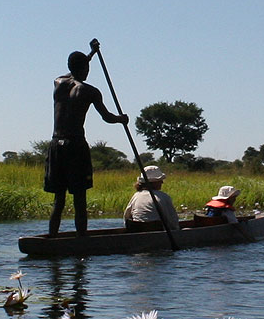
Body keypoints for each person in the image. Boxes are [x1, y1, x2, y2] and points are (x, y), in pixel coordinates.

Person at [43, 46, 128, 236]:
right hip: (75, 146)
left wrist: (90, 55)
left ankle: (52, 238)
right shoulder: (90, 91)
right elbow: (107, 117)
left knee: (59, 199)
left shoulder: (58, 83)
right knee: (79, 198)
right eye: (87, 68)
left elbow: (75, 69)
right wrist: (121, 119)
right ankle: (82, 240)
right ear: (84, 69)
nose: (88, 72)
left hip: (56, 145)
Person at [124, 165, 177, 230]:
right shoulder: (163, 197)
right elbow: (172, 221)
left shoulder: (136, 196)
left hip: (136, 232)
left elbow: (126, 217)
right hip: (158, 235)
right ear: (154, 182)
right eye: (159, 180)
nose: (162, 182)